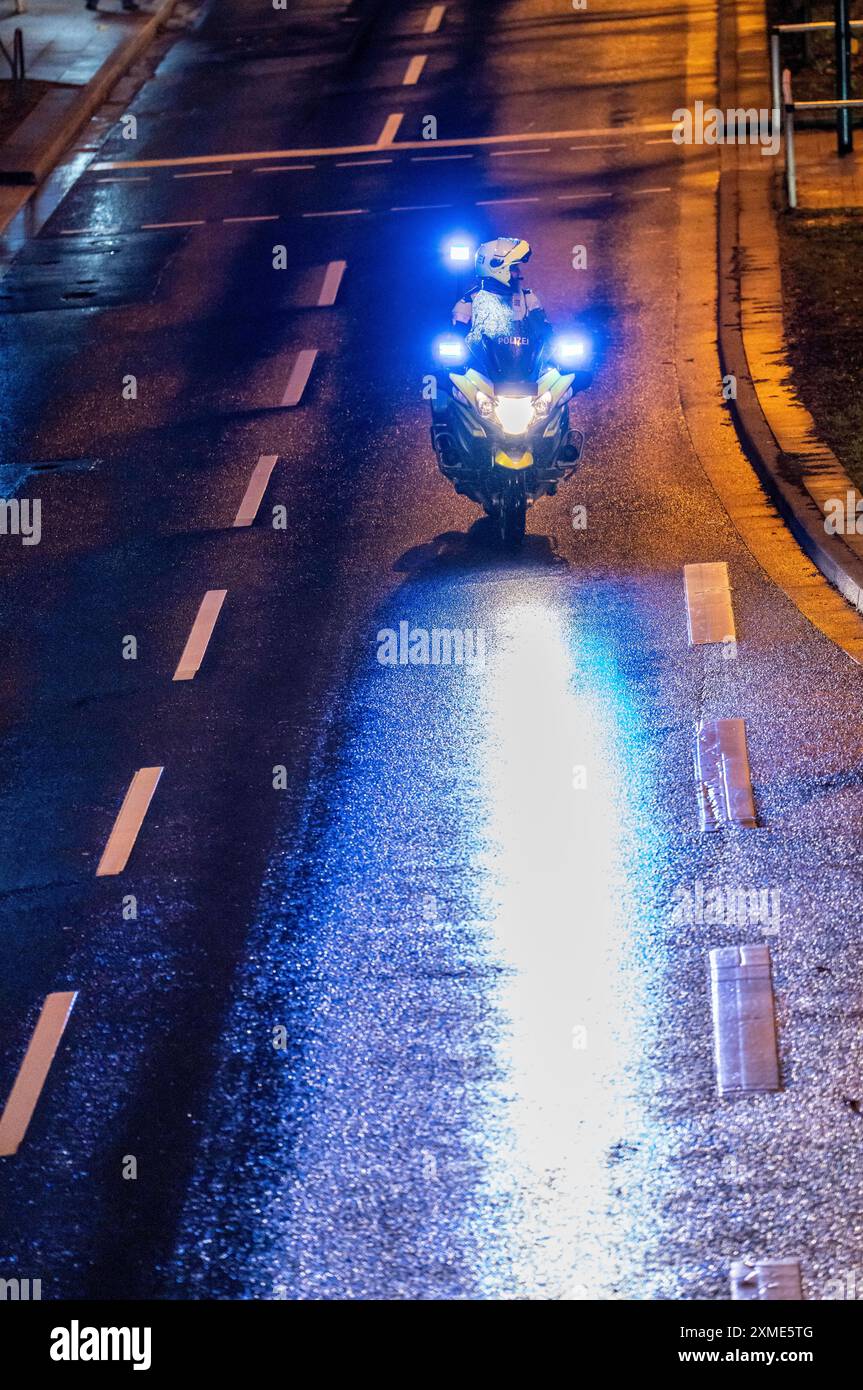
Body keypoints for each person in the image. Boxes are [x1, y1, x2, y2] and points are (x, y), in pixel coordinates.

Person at [450, 236, 550, 353]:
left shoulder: (527, 298)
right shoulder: (468, 302)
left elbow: (546, 332)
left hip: (524, 365)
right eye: (513, 268)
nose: (518, 272)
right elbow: (458, 341)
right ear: (496, 267)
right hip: (481, 368)